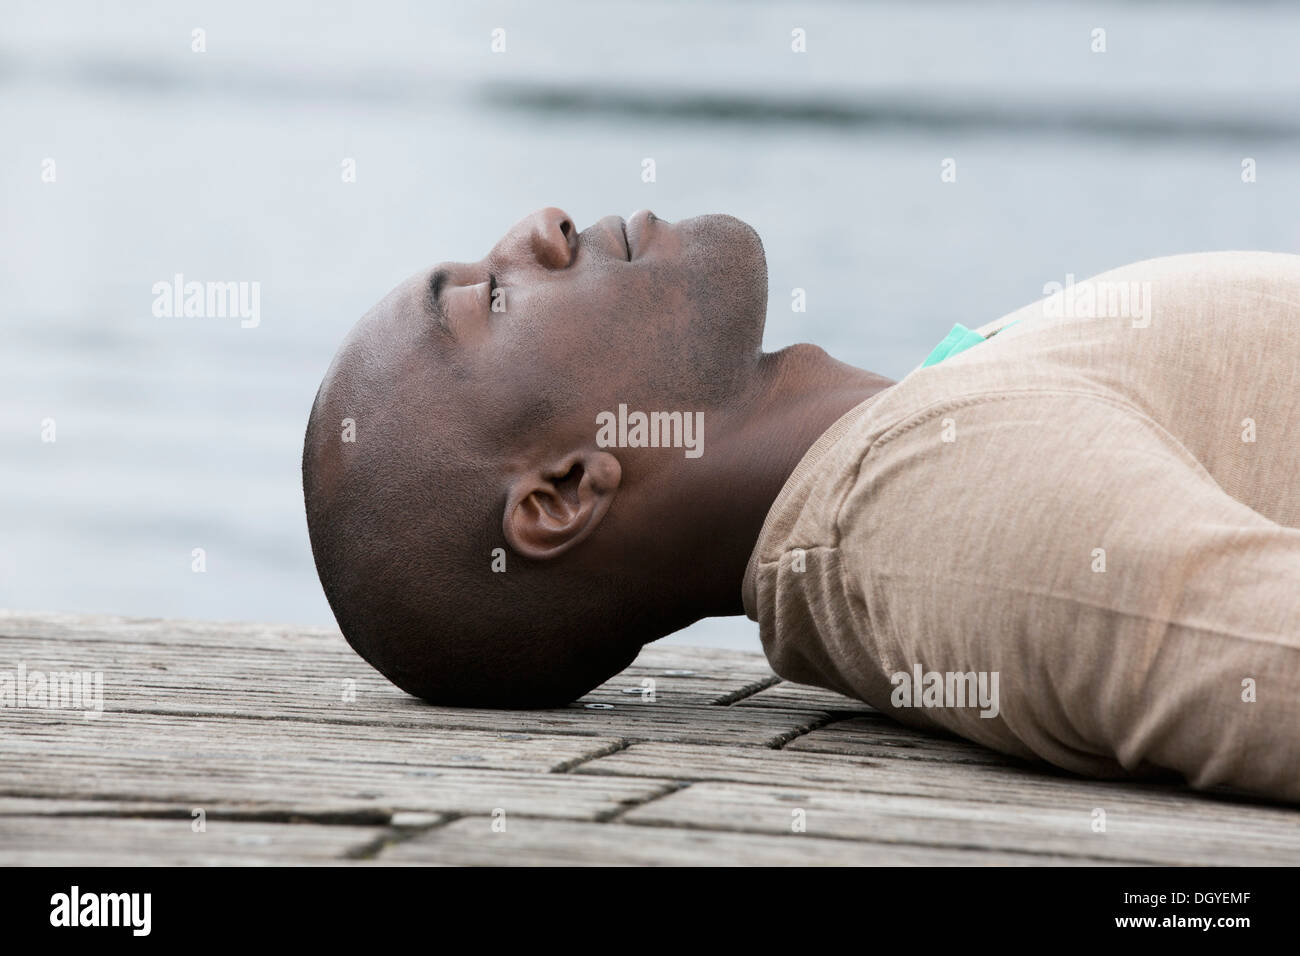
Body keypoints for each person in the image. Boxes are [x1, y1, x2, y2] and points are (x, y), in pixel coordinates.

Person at [302, 206, 1300, 801]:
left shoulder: (914, 450)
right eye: (491, 300)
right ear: (565, 492)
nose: (540, 228)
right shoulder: (938, 513)